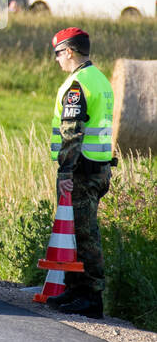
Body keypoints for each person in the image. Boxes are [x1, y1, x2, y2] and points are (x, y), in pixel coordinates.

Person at [46, 28, 115, 317]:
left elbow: (72, 134)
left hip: (81, 171)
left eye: (58, 53)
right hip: (96, 168)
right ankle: (75, 289)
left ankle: (91, 296)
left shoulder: (78, 85)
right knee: (77, 231)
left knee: (85, 234)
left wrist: (65, 173)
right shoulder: (99, 78)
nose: (57, 60)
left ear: (70, 51)